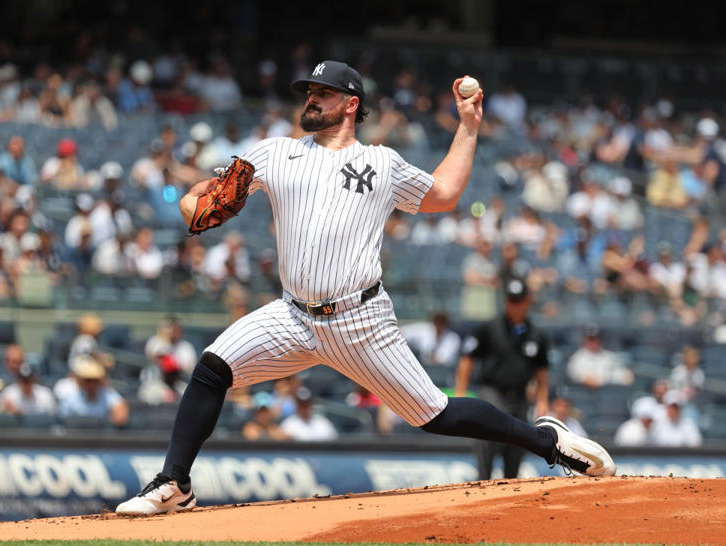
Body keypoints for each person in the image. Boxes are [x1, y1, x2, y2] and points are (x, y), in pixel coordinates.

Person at [116, 60, 615, 515]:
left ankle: (548, 442)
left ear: (351, 104)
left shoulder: (383, 162)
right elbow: (200, 205)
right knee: (212, 367)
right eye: (308, 91)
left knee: (435, 414)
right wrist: (195, 202)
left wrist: (468, 126)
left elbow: (443, 195)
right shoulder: (273, 152)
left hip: (362, 321)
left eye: (323, 92)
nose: (310, 99)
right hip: (293, 317)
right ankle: (174, 483)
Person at [454, 277, 551, 480]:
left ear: (527, 301)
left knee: (518, 443)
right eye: (511, 300)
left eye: (518, 300)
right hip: (493, 391)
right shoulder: (489, 328)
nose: (514, 305)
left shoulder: (535, 334)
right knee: (487, 434)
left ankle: (510, 488)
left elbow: (542, 370)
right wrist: (461, 392)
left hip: (520, 395)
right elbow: (467, 358)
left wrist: (542, 400)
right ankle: (483, 482)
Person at [566, 323, 634, 388]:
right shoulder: (577, 359)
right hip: (587, 396)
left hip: (609, 393)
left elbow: (627, 377)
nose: (594, 342)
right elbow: (588, 381)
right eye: (591, 339)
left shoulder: (609, 356)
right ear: (585, 340)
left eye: (596, 338)